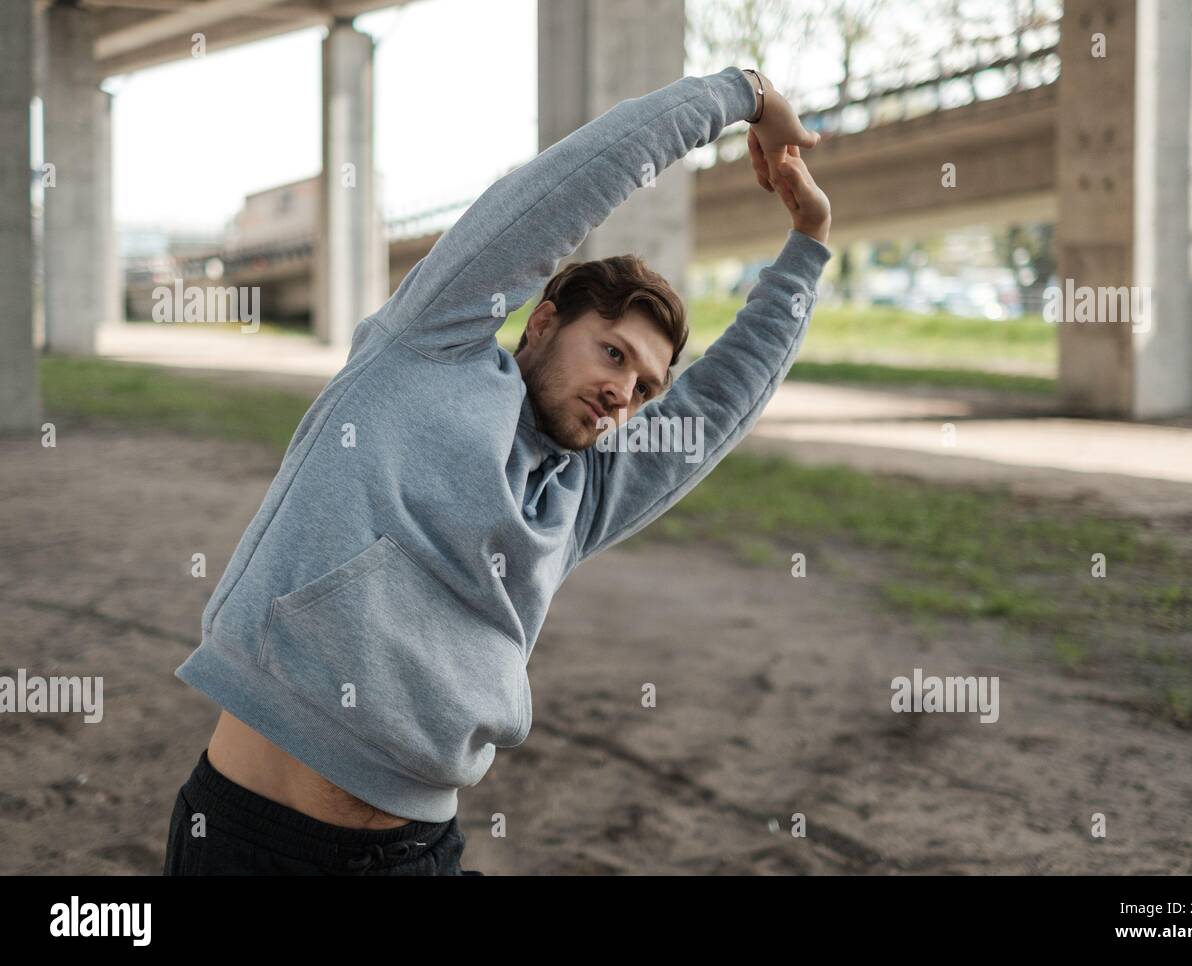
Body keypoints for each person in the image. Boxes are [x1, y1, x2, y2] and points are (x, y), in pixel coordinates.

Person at [164, 65, 832, 875]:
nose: (624, 392)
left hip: (420, 854)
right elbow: (569, 185)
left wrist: (809, 247)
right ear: (543, 321)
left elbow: (719, 406)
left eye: (645, 387)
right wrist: (746, 97)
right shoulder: (427, 347)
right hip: (257, 847)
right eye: (612, 353)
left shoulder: (581, 496)